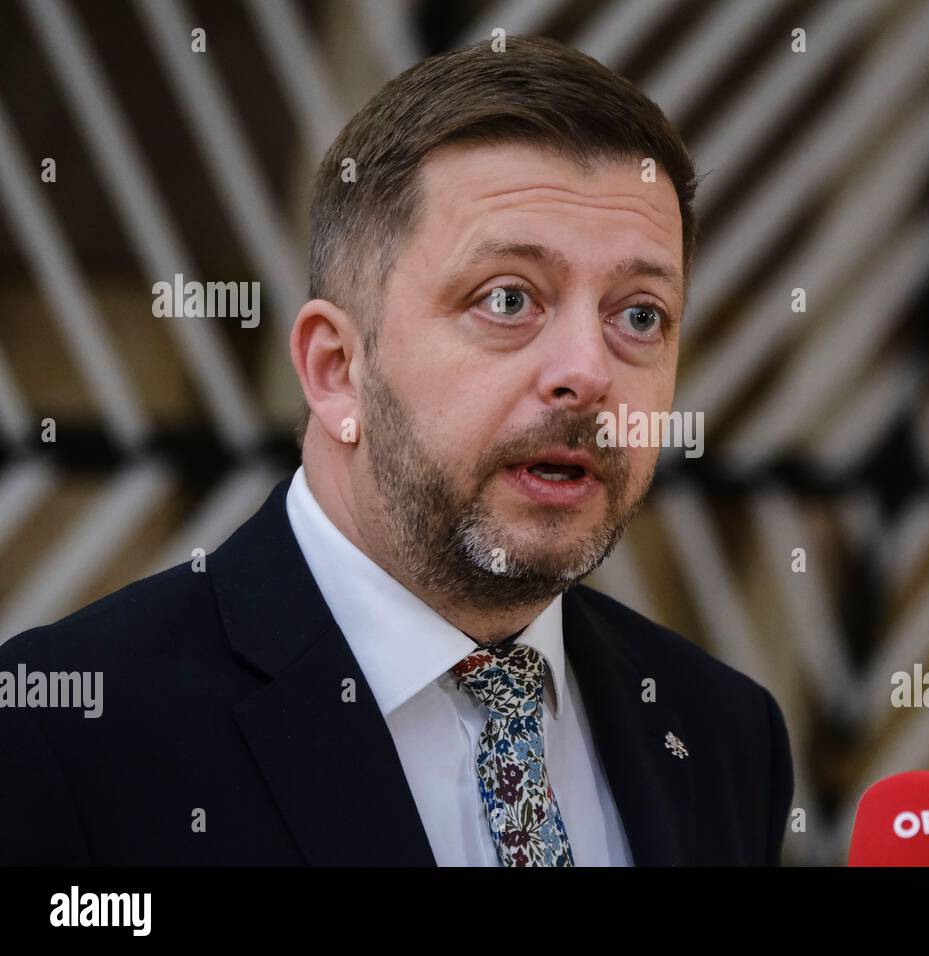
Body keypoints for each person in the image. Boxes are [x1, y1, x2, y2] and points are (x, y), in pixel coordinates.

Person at [0, 35, 794, 867]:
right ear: (337, 370)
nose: (587, 374)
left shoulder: (723, 733)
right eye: (509, 298)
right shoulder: (69, 733)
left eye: (640, 315)